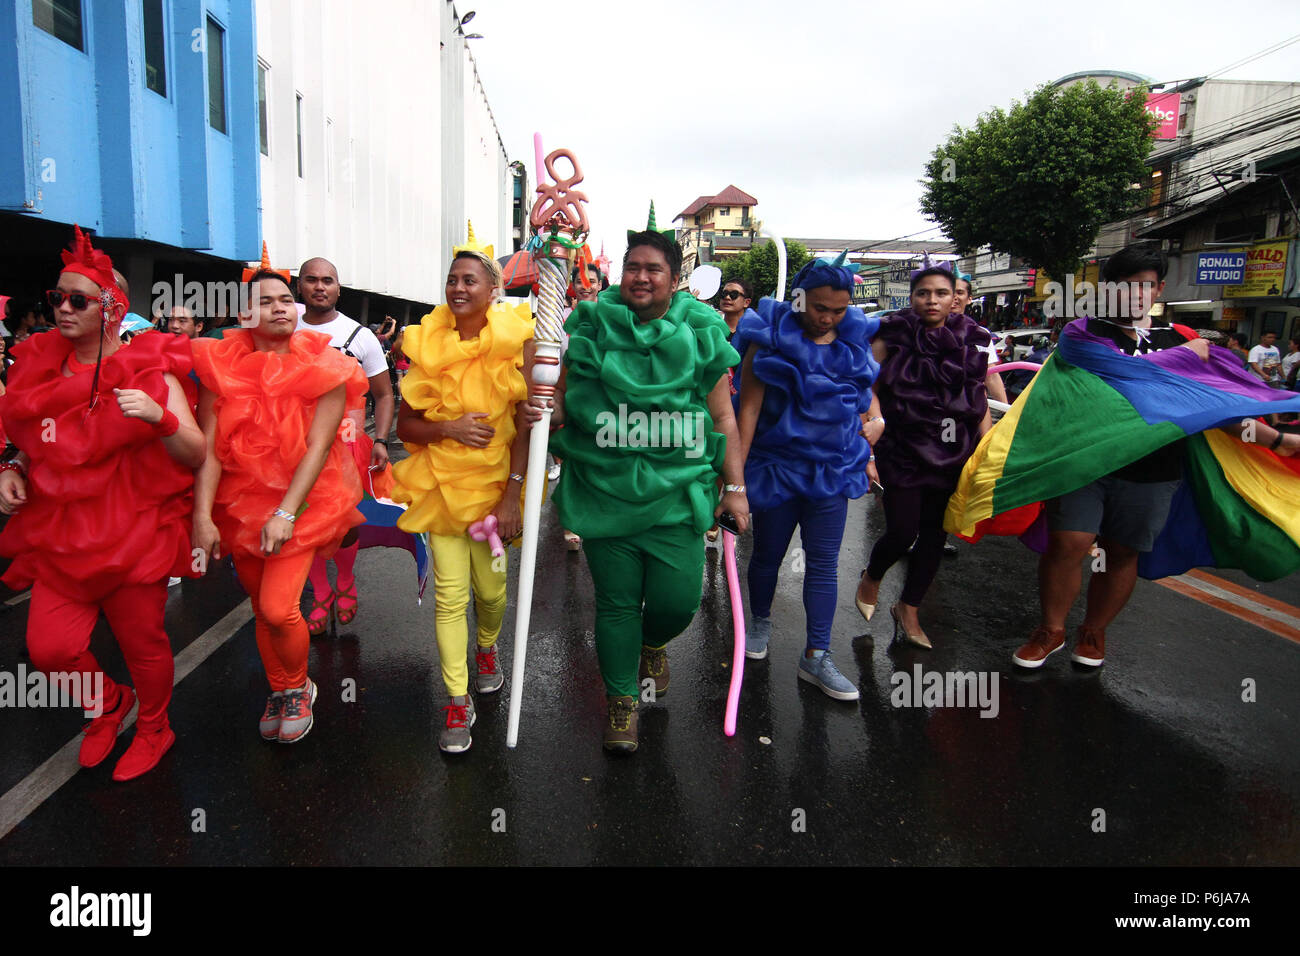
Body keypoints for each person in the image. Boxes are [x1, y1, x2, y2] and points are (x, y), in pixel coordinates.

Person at [1009, 245, 1300, 668]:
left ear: (1159, 289)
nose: (1136, 294)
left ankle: (1093, 632)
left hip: (1154, 470)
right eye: (1126, 285)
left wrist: (1276, 440)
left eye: (1145, 285)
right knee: (1069, 542)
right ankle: (1051, 630)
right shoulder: (1082, 333)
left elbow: (1211, 403)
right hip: (1085, 463)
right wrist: (1186, 358)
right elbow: (1127, 375)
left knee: (1123, 551)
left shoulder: (1177, 336)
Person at [0, 227, 205, 780]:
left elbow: (193, 450)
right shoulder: (40, 362)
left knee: (144, 644)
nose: (62, 308)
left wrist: (159, 417)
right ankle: (108, 705)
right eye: (56, 299)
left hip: (133, 533)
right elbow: (32, 434)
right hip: (62, 535)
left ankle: (156, 727)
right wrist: (14, 467)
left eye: (77, 300)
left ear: (112, 309)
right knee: (47, 650)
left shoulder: (151, 367)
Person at [549, 230, 748, 753]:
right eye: (633, 266)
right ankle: (621, 704)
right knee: (615, 605)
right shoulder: (591, 326)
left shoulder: (701, 331)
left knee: (677, 603)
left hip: (678, 497)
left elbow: (723, 414)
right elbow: (564, 405)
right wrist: (542, 407)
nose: (640, 276)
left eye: (653, 268)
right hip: (604, 491)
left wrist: (736, 488)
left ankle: (654, 643)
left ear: (675, 279)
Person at [192, 267, 367, 742]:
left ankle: (298, 685)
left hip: (305, 504)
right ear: (245, 312)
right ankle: (282, 688)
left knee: (277, 608)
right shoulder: (220, 368)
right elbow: (208, 448)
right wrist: (202, 516)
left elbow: (318, 447)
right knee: (259, 607)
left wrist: (286, 513)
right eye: (266, 301)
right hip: (238, 507)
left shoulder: (323, 365)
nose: (280, 308)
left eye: (286, 300)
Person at [391, 247, 542, 754]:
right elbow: (405, 424)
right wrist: (447, 427)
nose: (458, 288)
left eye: (469, 281)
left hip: (496, 494)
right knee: (451, 598)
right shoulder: (428, 342)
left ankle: (486, 648)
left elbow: (528, 423)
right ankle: (456, 700)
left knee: (492, 592)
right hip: (440, 491)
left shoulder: (517, 340)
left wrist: (514, 496)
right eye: (452, 279)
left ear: (491, 290)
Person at [735, 255, 880, 699]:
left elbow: (864, 398)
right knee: (767, 556)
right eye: (819, 307)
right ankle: (759, 621)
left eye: (838, 310)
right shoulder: (768, 339)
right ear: (798, 298)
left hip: (832, 471)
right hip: (778, 468)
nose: (828, 318)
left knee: (823, 564)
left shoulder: (855, 342)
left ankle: (816, 655)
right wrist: (733, 482)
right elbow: (749, 410)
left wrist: (877, 423)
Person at [855, 258, 992, 649]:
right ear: (912, 296)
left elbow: (977, 395)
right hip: (904, 448)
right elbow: (867, 385)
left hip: (955, 450)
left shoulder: (973, 337)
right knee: (901, 531)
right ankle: (872, 575)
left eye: (942, 293)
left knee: (935, 535)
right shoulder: (892, 333)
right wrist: (874, 423)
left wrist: (987, 447)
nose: (932, 300)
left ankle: (909, 609)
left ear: (956, 298)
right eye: (924, 293)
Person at [295, 257, 396, 633]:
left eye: (328, 281)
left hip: (348, 444)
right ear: (300, 287)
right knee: (305, 522)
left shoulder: (361, 336)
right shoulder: (284, 330)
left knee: (345, 522)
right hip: (296, 446)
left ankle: (346, 580)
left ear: (339, 288)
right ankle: (320, 592)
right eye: (311, 280)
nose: (320, 287)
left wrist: (382, 439)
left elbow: (384, 396)